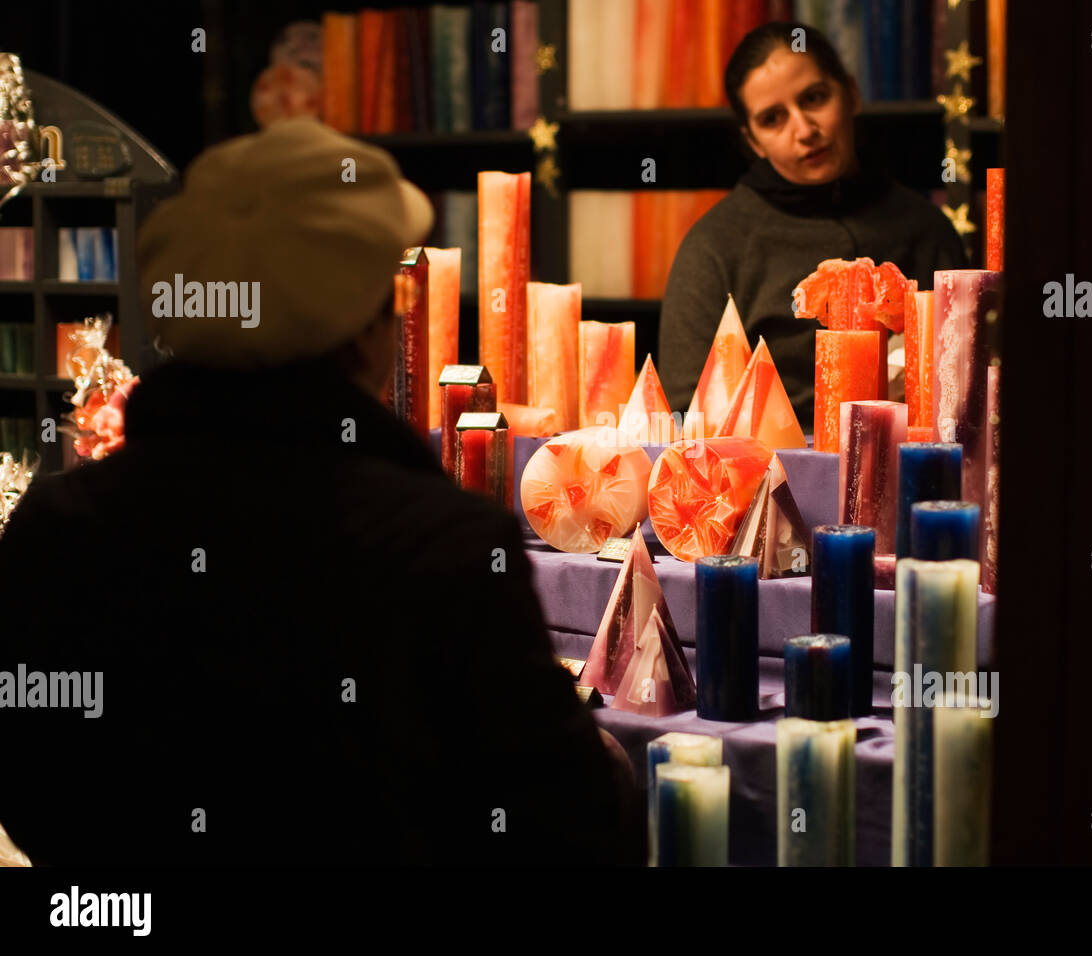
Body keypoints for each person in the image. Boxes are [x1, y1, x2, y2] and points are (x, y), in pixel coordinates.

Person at [0, 117, 641, 866]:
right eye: (392, 303)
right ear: (364, 335)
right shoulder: (443, 547)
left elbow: (34, 794)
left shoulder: (58, 527)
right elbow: (566, 832)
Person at [659, 21, 969, 429]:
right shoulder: (713, 246)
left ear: (852, 93)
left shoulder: (926, 227)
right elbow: (685, 417)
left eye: (814, 98)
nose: (804, 131)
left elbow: (967, 385)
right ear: (753, 142)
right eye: (773, 119)